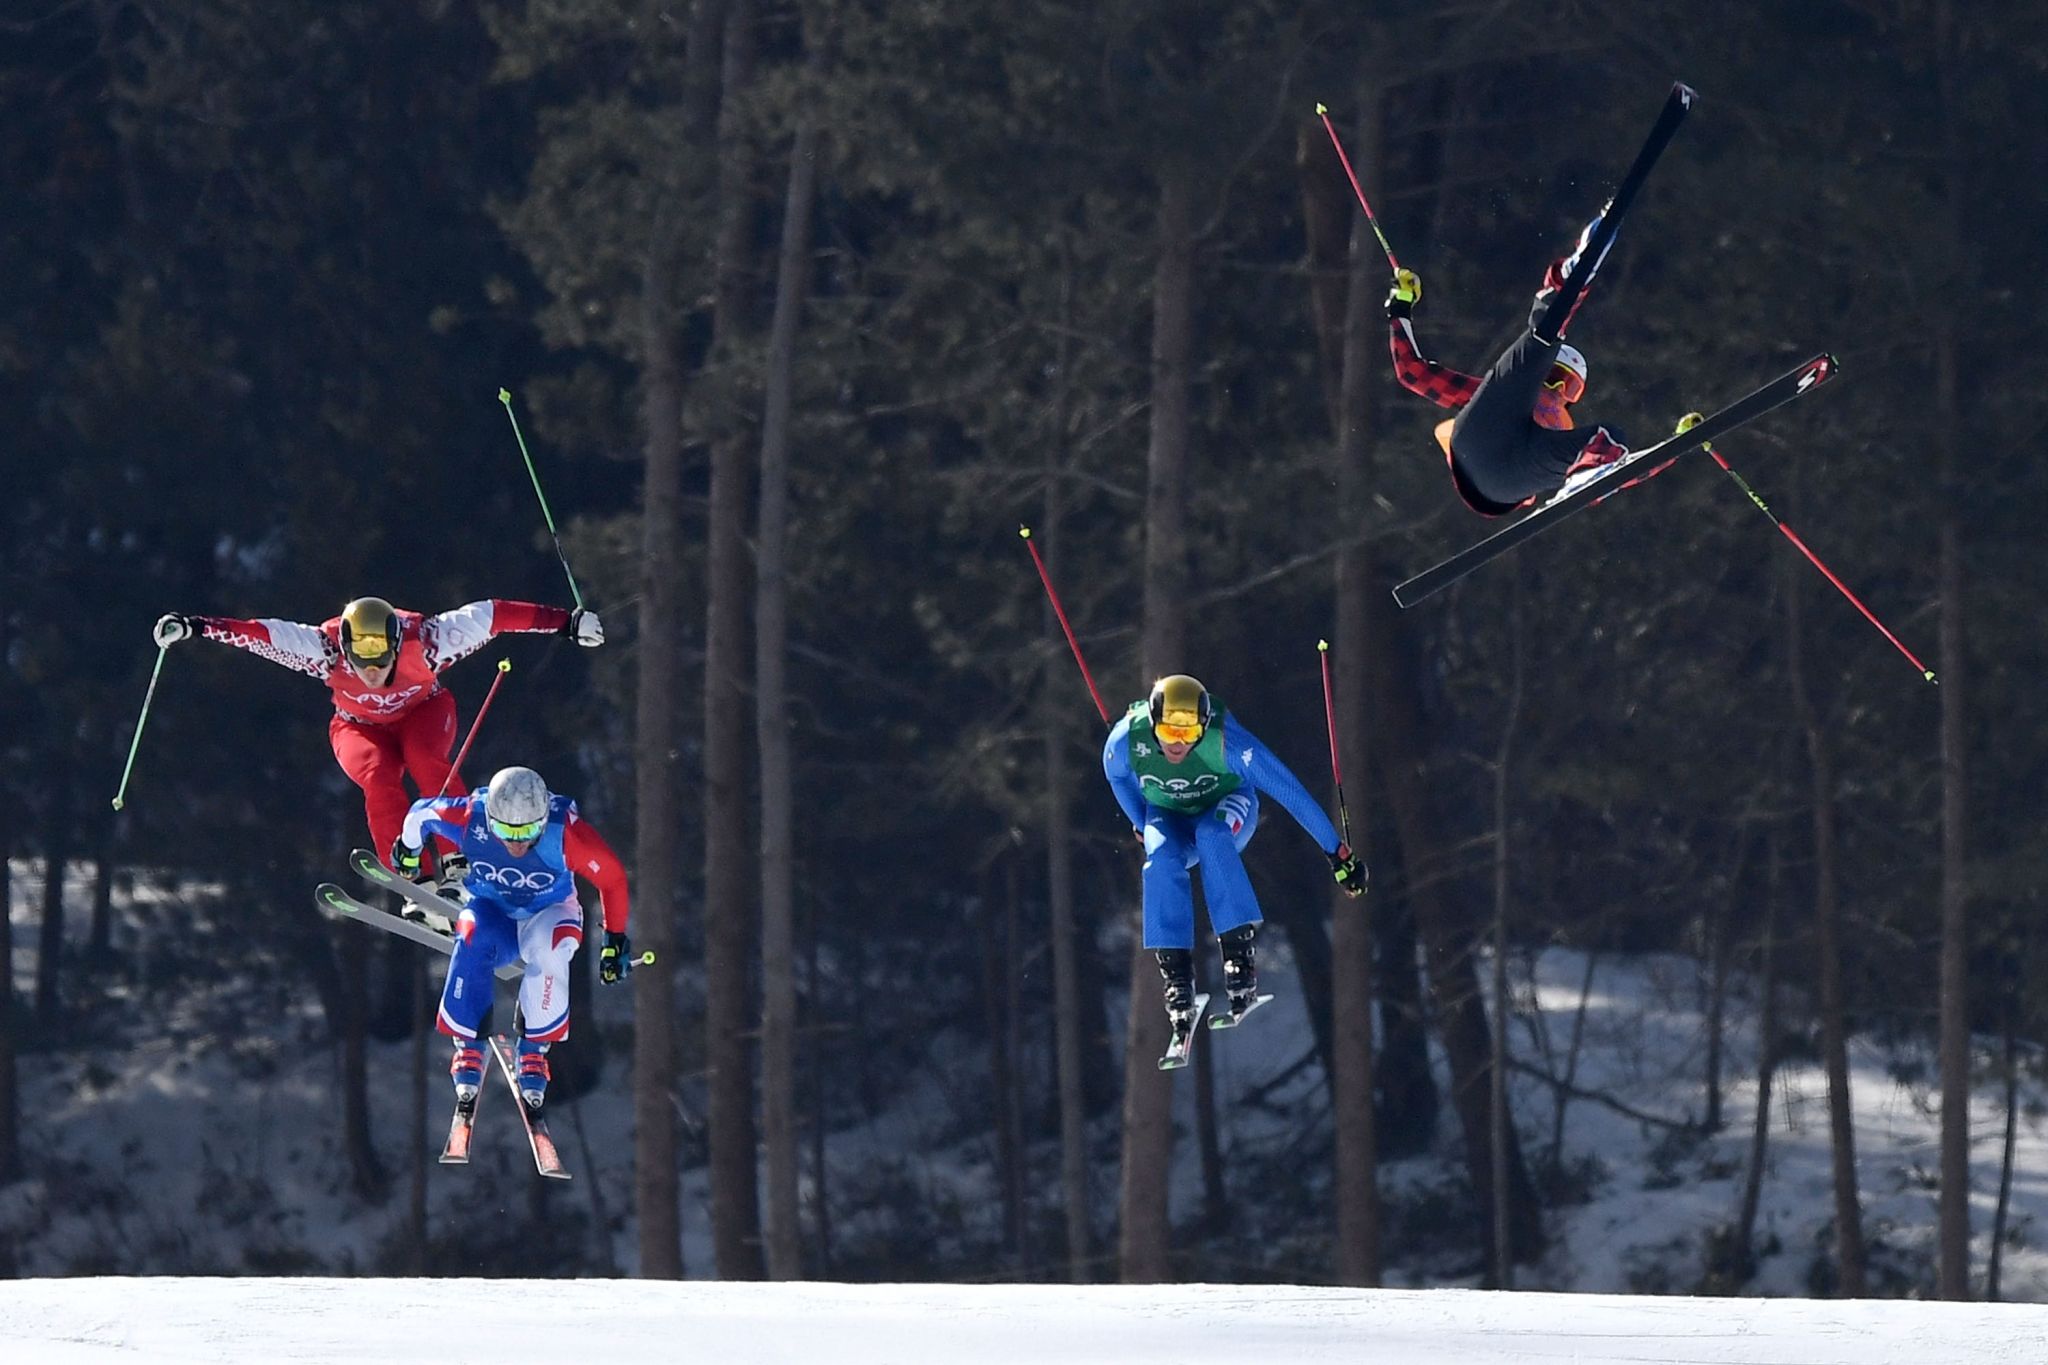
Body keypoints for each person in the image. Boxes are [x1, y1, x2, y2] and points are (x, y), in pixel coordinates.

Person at [151, 596, 602, 872]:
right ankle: (411, 872)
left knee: (427, 763)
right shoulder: (324, 651)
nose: (371, 672)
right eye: (361, 662)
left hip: (423, 711)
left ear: (393, 645)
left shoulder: (429, 641)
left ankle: (461, 854)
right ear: (345, 646)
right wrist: (194, 626)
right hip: (358, 726)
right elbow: (261, 635)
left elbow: (498, 616)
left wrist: (567, 623)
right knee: (378, 778)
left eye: (381, 662)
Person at [1102, 675, 1366, 1038]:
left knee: (1212, 836)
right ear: (1152, 721)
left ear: (1204, 725)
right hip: (1170, 816)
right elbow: (1115, 776)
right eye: (1168, 731)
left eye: (1188, 732)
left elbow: (1289, 791)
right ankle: (1176, 977)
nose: (1177, 743)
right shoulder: (1127, 739)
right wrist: (1138, 819)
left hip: (1225, 808)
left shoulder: (1225, 743)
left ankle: (1239, 956)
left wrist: (1337, 853)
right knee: (1160, 859)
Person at [1384, 214, 1679, 515]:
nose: (1557, 388)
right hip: (1479, 448)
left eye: (1569, 386)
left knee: (1608, 437)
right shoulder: (1503, 397)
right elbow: (1411, 372)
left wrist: (1675, 447)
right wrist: (1400, 304)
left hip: (1505, 486)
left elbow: (1626, 469)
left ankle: (1584, 476)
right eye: (1553, 376)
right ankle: (1567, 284)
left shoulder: (1563, 437)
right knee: (1542, 341)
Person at [391, 765, 633, 1112]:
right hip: (494, 911)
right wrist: (408, 851)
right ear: (491, 819)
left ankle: (534, 1049)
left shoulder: (564, 835)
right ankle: (470, 1045)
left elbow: (612, 879)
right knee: (470, 933)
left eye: (528, 831)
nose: (517, 843)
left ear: (542, 818)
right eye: (505, 830)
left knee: (551, 951)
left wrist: (615, 942)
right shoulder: (470, 819)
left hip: (548, 912)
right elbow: (420, 815)